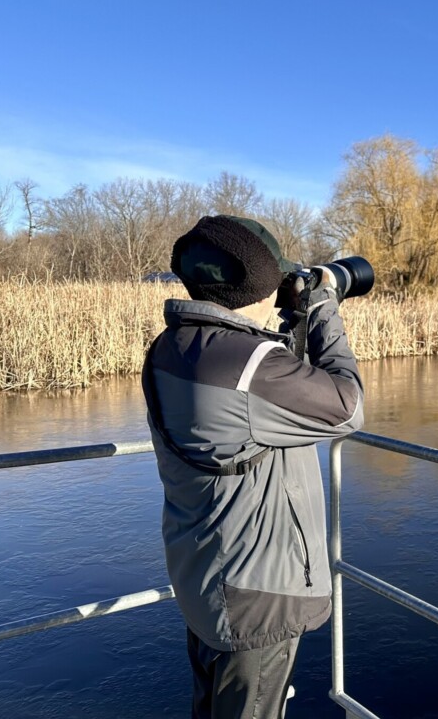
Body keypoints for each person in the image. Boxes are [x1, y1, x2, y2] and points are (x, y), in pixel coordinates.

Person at [142, 215, 364, 718]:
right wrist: (325, 307)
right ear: (257, 286)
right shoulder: (249, 364)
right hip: (255, 595)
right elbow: (347, 407)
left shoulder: (170, 348)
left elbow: (263, 403)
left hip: (204, 575)